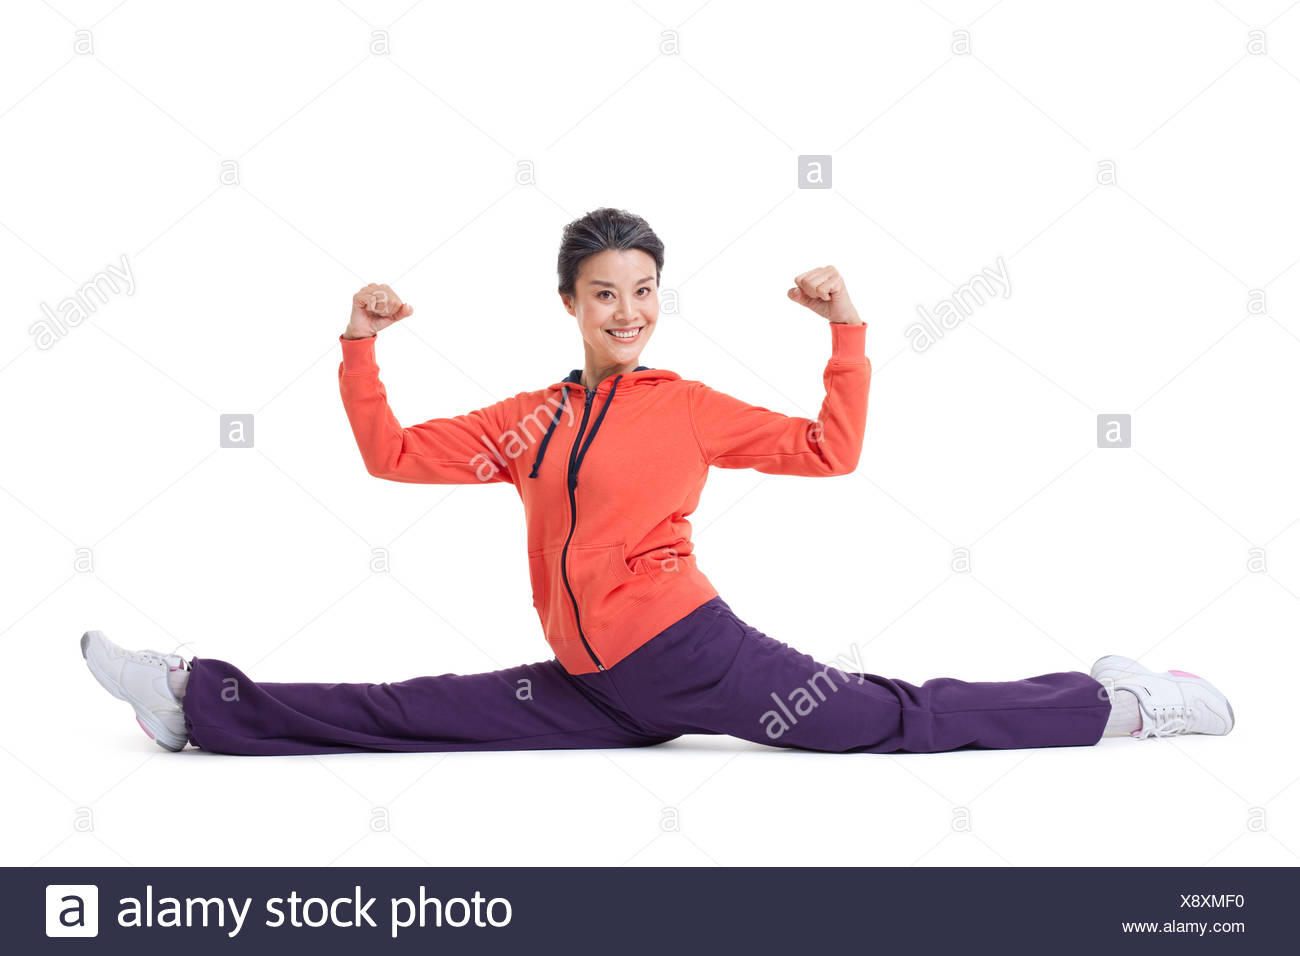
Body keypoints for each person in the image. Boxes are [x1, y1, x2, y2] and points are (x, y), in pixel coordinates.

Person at [80, 207, 1235, 756]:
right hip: (596, 684)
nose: (624, 311)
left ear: (657, 297)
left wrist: (845, 331)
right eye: (602, 293)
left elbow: (830, 451)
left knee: (894, 717)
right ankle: (195, 700)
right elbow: (389, 454)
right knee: (413, 705)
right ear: (570, 304)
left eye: (641, 290)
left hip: (695, 652)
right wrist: (358, 345)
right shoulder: (530, 421)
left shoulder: (685, 404)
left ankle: (1118, 699)